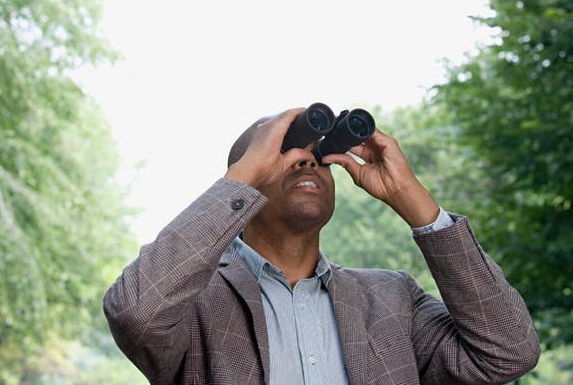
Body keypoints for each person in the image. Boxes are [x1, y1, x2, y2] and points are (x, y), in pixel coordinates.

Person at [103, 107, 540, 384]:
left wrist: (417, 204)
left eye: (318, 153)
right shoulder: (194, 299)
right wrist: (241, 177)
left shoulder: (391, 298)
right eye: (286, 152)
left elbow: (509, 352)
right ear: (249, 175)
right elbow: (136, 312)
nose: (308, 159)